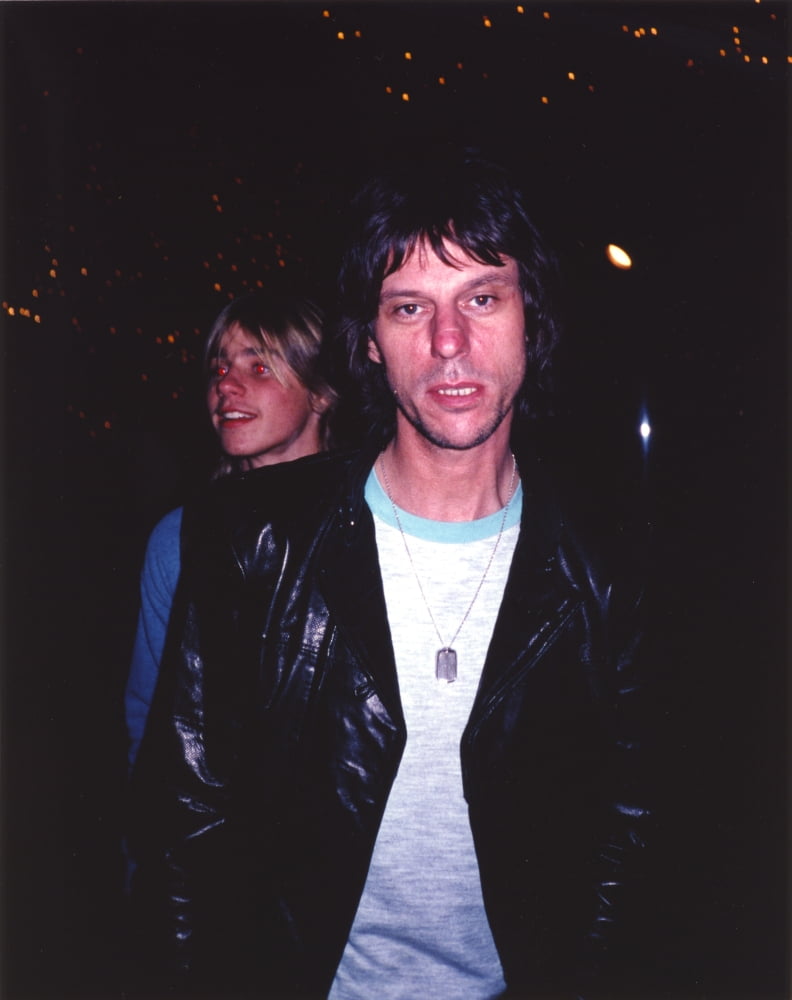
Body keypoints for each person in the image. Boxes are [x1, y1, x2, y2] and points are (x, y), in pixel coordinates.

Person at [129, 156, 652, 999]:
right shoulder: (252, 539)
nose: (450, 343)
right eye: (411, 308)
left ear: (533, 319)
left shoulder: (609, 567)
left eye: (482, 298)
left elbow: (629, 836)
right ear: (370, 343)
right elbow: (185, 825)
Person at [124, 291, 337, 768]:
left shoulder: (368, 527)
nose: (226, 387)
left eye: (258, 368)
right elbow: (150, 713)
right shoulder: (178, 540)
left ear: (320, 392)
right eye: (219, 369)